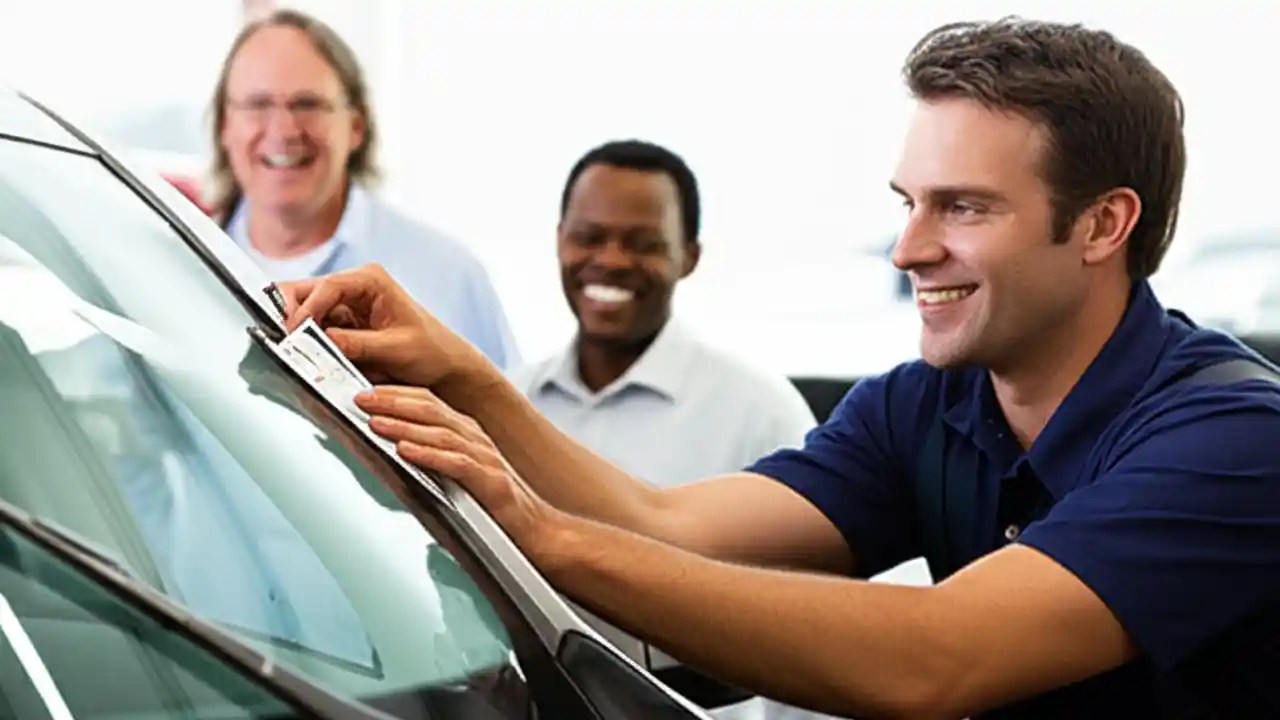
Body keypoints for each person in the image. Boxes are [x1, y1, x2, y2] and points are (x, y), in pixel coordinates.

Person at [280, 17, 1280, 718]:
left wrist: (541, 535)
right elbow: (672, 527)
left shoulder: (1231, 442)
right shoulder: (923, 407)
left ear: (1101, 224)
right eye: (907, 203)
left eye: (963, 208)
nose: (908, 250)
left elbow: (938, 660)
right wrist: (470, 383)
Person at [513, 139, 820, 719]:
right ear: (559, 239)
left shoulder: (760, 411)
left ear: (690, 256)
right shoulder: (511, 402)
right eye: (588, 236)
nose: (610, 259)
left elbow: (824, 629)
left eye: (643, 243)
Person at [208, 8, 519, 369]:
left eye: (307, 104)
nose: (284, 130)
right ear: (224, 126)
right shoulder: (178, 271)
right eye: (258, 105)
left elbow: (501, 422)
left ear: (356, 126)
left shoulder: (447, 278)